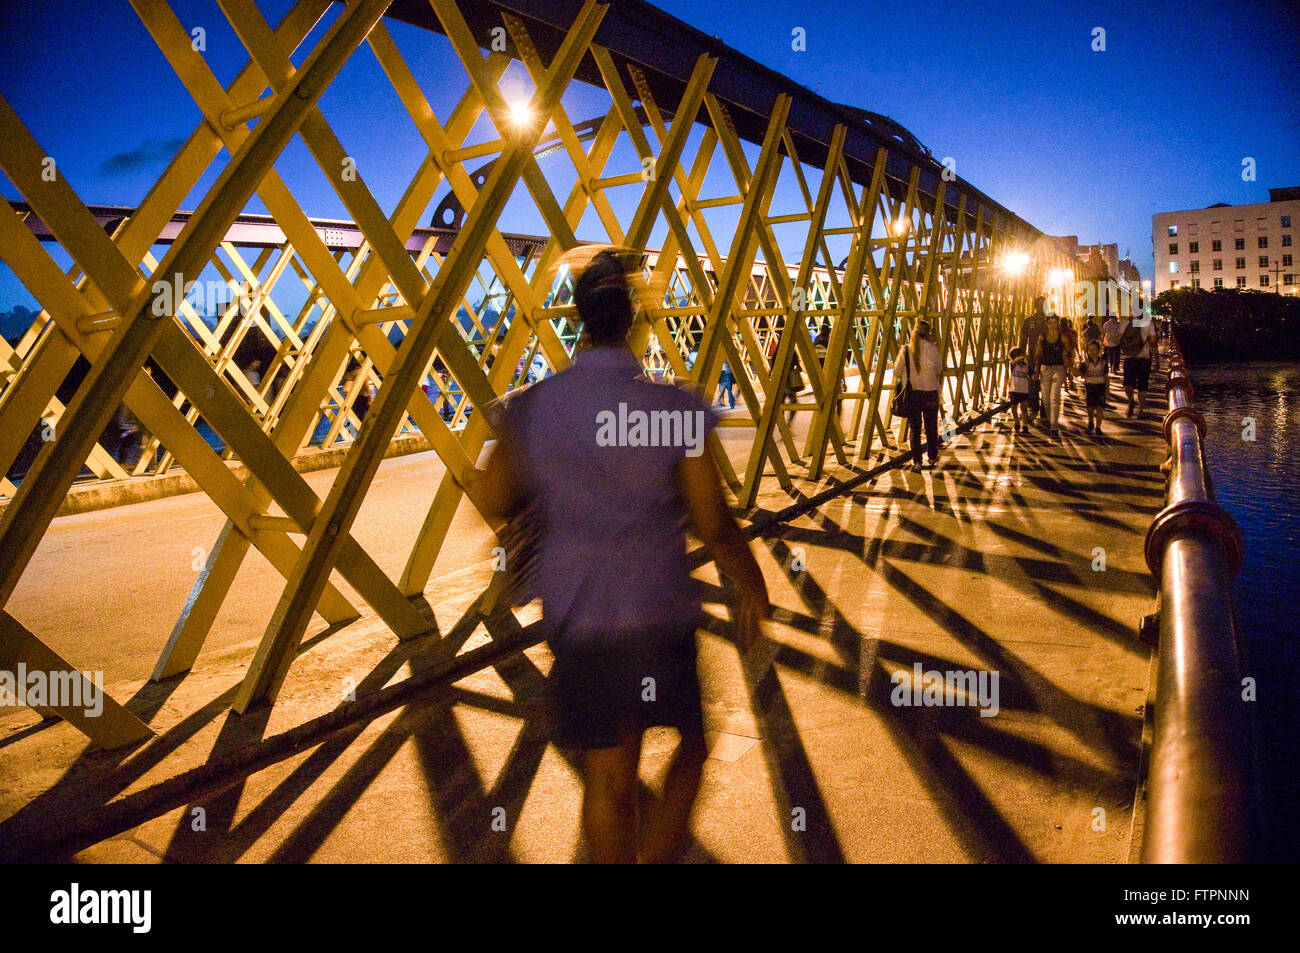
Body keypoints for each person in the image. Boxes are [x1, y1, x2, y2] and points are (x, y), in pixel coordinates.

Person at [471, 250, 770, 864]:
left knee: (609, 778)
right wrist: (753, 584)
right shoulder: (674, 408)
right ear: (631, 318)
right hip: (658, 613)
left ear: (578, 318)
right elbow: (715, 522)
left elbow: (493, 496)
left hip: (580, 620)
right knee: (691, 747)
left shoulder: (534, 406)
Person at [893, 319, 941, 470]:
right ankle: (932, 457)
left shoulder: (906, 350)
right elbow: (939, 368)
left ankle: (917, 462)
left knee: (914, 428)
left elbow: (896, 371)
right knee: (931, 427)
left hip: (913, 393)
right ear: (928, 333)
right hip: (930, 392)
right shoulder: (932, 348)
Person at [1118, 311, 1158, 418]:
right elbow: (1153, 341)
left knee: (1127, 384)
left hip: (1129, 358)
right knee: (1142, 385)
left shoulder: (1125, 322)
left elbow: (1118, 339)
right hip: (1144, 358)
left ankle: (1131, 401)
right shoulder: (1148, 323)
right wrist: (1156, 359)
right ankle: (1140, 411)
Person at [1019, 296, 1049, 427]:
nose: (1041, 307)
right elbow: (1023, 340)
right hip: (1032, 358)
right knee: (1033, 386)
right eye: (1039, 305)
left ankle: (1044, 413)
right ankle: (1034, 409)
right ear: (1035, 306)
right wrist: (1020, 357)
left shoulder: (1051, 321)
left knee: (1046, 387)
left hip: (1047, 359)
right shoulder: (1028, 321)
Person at [1037, 314, 1067, 435]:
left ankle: (1054, 426)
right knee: (1045, 398)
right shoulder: (1042, 337)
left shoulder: (1062, 337)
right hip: (1045, 369)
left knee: (1054, 397)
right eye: (1050, 323)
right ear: (1047, 324)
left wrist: (1068, 368)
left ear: (1057, 324)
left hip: (1058, 369)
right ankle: (1051, 420)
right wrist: (1035, 369)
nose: (1052, 325)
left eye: (1055, 323)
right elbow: (1038, 354)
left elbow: (1067, 354)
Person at [1079, 339, 1109, 434]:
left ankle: (1098, 427)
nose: (1092, 352)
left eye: (1094, 349)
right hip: (1090, 386)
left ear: (1098, 350)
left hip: (1100, 386)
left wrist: (1107, 389)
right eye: (1090, 350)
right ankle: (1091, 420)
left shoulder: (1103, 363)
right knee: (1090, 407)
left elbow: (1106, 377)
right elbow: (1081, 375)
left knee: (1100, 407)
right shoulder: (1086, 363)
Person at [1008, 346, 1031, 432]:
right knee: (1014, 407)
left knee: (1024, 407)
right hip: (1014, 389)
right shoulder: (1013, 364)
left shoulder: (1027, 365)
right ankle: (1016, 421)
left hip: (1024, 389)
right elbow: (1014, 361)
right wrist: (1025, 356)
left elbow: (1031, 373)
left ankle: (1025, 424)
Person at [1060, 317, 1079, 388]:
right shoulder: (1072, 332)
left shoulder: (1058, 332)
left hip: (1062, 353)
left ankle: (1065, 385)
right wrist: (1077, 352)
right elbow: (1075, 343)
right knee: (1070, 368)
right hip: (1070, 352)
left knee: (1063, 369)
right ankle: (1071, 382)